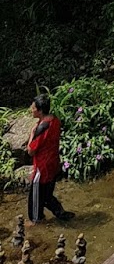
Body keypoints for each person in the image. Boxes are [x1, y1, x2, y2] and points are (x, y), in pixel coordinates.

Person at [26, 93, 70, 224]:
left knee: (34, 203)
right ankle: (62, 214)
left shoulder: (42, 128)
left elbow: (30, 151)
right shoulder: (55, 120)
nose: (31, 109)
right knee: (46, 196)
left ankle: (36, 223)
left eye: (33, 108)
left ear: (40, 111)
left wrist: (32, 134)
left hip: (42, 168)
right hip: (53, 164)